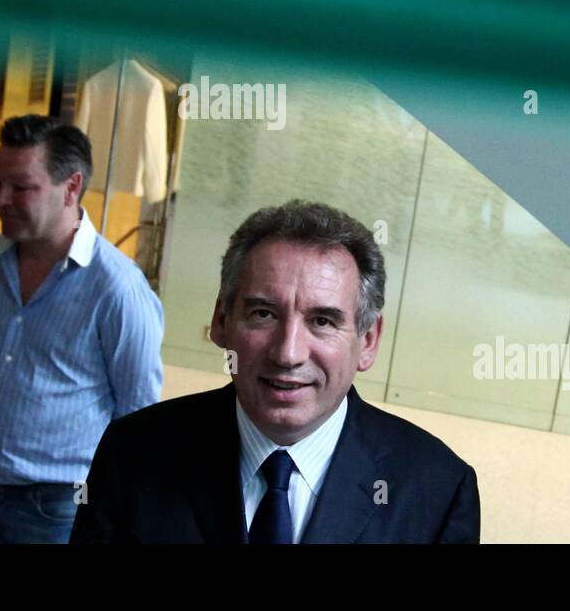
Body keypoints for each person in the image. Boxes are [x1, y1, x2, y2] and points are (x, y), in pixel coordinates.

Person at [70, 199, 481, 543]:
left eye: (322, 321)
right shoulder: (133, 453)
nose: (287, 353)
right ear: (221, 320)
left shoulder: (437, 491)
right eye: (264, 313)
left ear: (368, 341)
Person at [0, 115, 164, 543]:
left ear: (71, 187)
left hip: (59, 507)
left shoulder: (117, 288)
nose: (1, 199)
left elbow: (139, 413)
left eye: (21, 187)